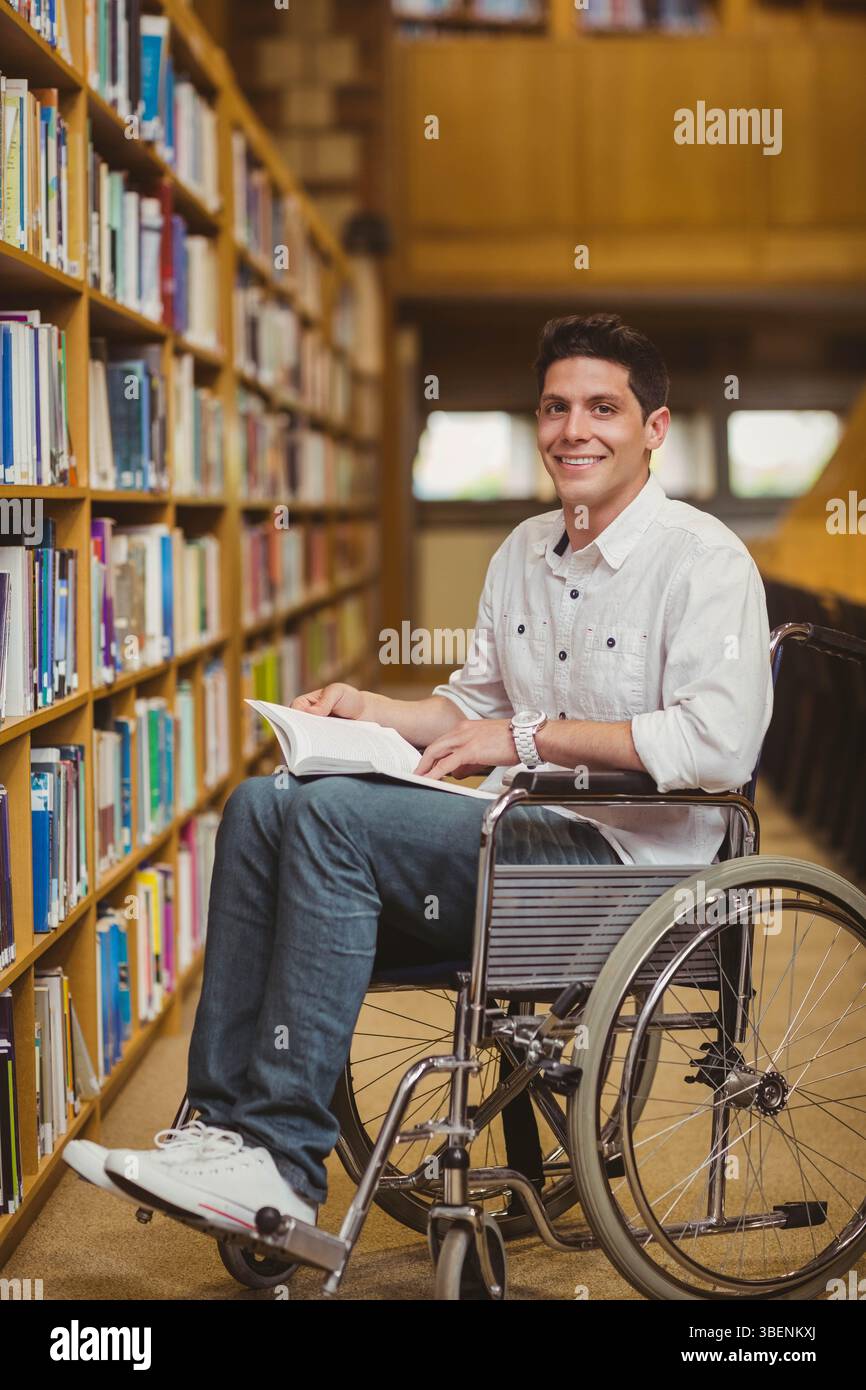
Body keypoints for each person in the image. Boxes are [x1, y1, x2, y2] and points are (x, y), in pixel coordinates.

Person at [64, 312, 773, 1253]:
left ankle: (277, 1161)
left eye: (604, 408)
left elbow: (717, 745)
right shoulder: (523, 550)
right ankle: (219, 1132)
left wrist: (524, 733)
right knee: (263, 804)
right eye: (555, 408)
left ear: (655, 428)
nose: (575, 429)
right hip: (514, 835)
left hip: (631, 868)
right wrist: (372, 710)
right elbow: (470, 709)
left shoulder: (705, 560)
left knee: (333, 823)